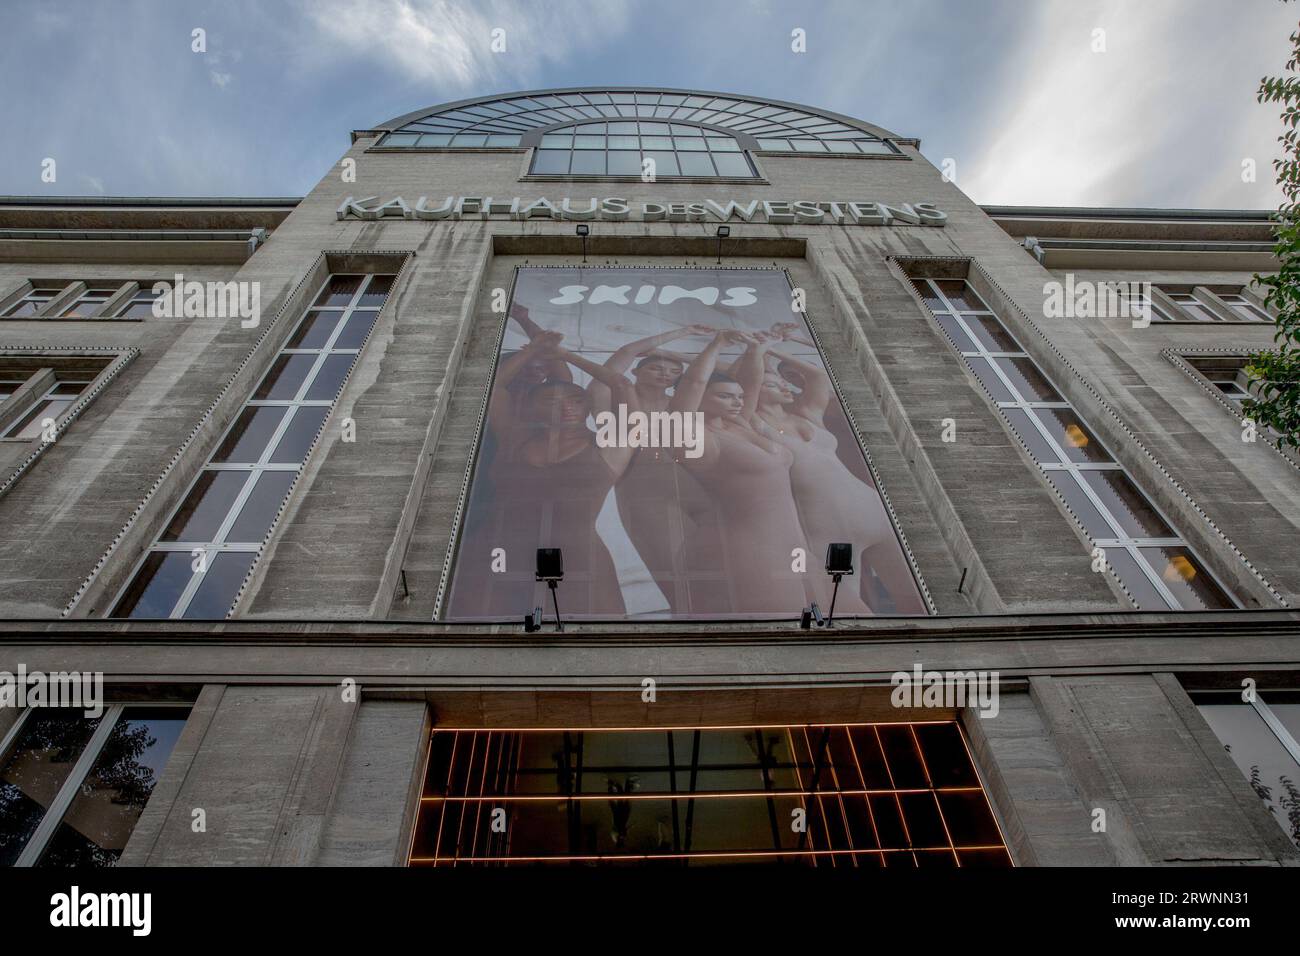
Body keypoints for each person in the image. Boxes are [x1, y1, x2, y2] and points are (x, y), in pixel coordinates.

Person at [735, 324, 923, 614]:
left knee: (917, 600)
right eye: (772, 383)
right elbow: (747, 380)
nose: (785, 386)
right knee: (844, 612)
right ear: (754, 389)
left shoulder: (808, 415)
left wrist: (773, 345)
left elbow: (817, 375)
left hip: (872, 511)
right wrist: (757, 350)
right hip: (827, 525)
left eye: (783, 383)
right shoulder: (753, 424)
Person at [450, 332, 640, 617]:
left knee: (592, 640)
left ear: (587, 405)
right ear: (532, 406)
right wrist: (533, 350)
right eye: (552, 400)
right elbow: (495, 387)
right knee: (476, 636)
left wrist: (565, 356)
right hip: (495, 551)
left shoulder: (609, 447)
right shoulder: (514, 439)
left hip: (576, 555)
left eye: (576, 400)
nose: (566, 407)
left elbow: (621, 383)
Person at [669, 330, 813, 615]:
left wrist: (758, 349)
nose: (737, 403)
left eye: (738, 397)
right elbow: (694, 382)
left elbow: (751, 382)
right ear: (697, 399)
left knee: (851, 619)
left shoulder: (739, 424)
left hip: (793, 545)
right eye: (725, 396)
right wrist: (717, 343)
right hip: (748, 549)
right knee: (780, 634)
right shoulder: (693, 439)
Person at [583, 324, 716, 614]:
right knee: (669, 564)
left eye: (672, 370)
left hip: (692, 483)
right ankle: (688, 621)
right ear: (635, 371)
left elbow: (721, 373)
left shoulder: (682, 403)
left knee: (715, 560)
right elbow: (625, 353)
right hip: (642, 488)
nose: (665, 374)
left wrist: (666, 354)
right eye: (656, 367)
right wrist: (683, 332)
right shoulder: (610, 400)